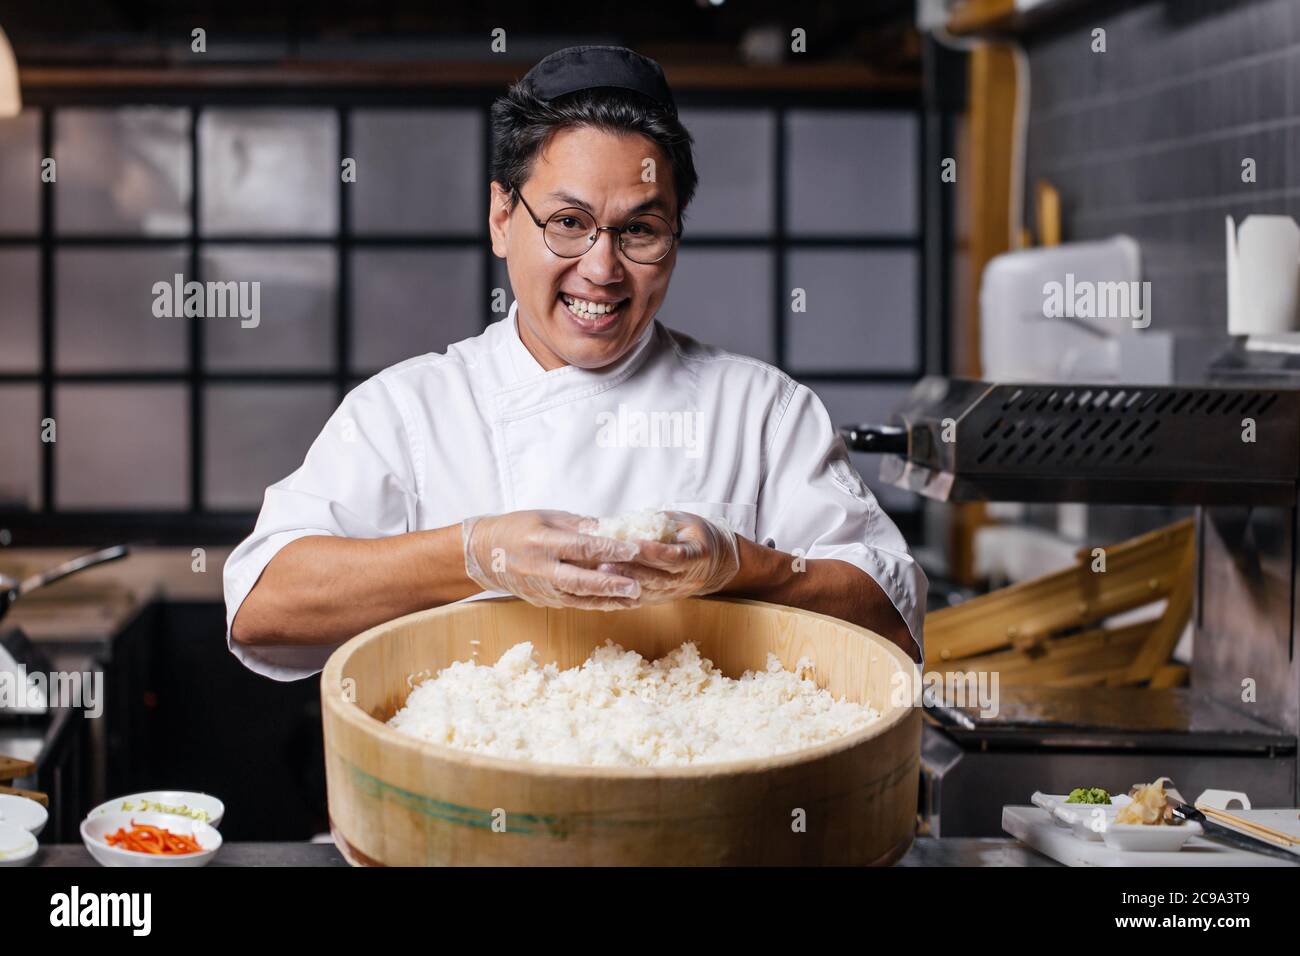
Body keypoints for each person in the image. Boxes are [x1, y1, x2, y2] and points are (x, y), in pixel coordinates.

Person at [224, 45, 926, 681]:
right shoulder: (410, 409)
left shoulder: (762, 410)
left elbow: (891, 611)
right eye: (568, 223)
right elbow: (262, 603)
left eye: (640, 230)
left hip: (703, 808)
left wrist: (739, 565)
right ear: (503, 218)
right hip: (461, 804)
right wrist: (475, 552)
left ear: (675, 234)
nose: (602, 269)